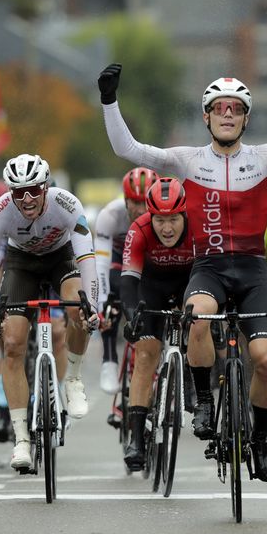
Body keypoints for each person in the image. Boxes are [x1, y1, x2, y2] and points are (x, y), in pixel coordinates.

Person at [98, 59, 267, 482]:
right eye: (219, 108)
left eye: (236, 108)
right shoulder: (187, 160)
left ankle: (259, 440)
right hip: (208, 266)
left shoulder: (266, 158)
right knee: (197, 316)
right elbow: (129, 150)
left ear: (246, 118)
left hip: (253, 269)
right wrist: (109, 101)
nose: (227, 114)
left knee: (266, 361)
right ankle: (204, 401)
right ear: (206, 117)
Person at [0, 153, 99, 470]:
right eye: (19, 192)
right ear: (10, 192)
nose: (27, 198)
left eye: (33, 190)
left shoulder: (67, 204)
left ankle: (73, 379)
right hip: (22, 265)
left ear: (45, 186)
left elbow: (87, 261)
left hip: (62, 258)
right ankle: (21, 439)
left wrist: (92, 305)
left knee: (79, 310)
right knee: (12, 344)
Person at [119, 177, 194, 471]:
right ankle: (136, 439)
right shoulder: (138, 229)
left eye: (173, 219)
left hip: (189, 284)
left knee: (200, 327)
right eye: (160, 220)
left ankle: (191, 379)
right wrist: (131, 316)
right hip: (150, 289)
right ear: (150, 217)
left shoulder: (198, 227)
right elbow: (128, 281)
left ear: (185, 214)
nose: (167, 228)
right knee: (145, 355)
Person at [95, 167, 158, 395]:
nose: (141, 210)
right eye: (135, 203)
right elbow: (100, 264)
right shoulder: (110, 215)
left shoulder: (163, 216)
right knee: (111, 299)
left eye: (145, 202)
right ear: (125, 200)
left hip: (148, 260)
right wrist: (102, 301)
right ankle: (109, 359)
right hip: (118, 261)